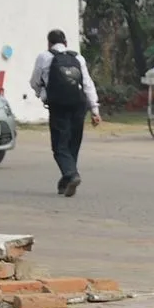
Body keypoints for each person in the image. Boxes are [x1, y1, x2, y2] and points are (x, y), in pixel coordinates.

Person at [28, 30, 100, 197]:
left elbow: (34, 82)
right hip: (79, 104)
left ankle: (71, 174)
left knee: (60, 145)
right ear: (65, 43)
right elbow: (88, 83)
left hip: (58, 105)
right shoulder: (78, 58)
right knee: (73, 143)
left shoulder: (44, 57)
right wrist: (95, 109)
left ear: (49, 43)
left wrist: (42, 94)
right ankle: (67, 180)